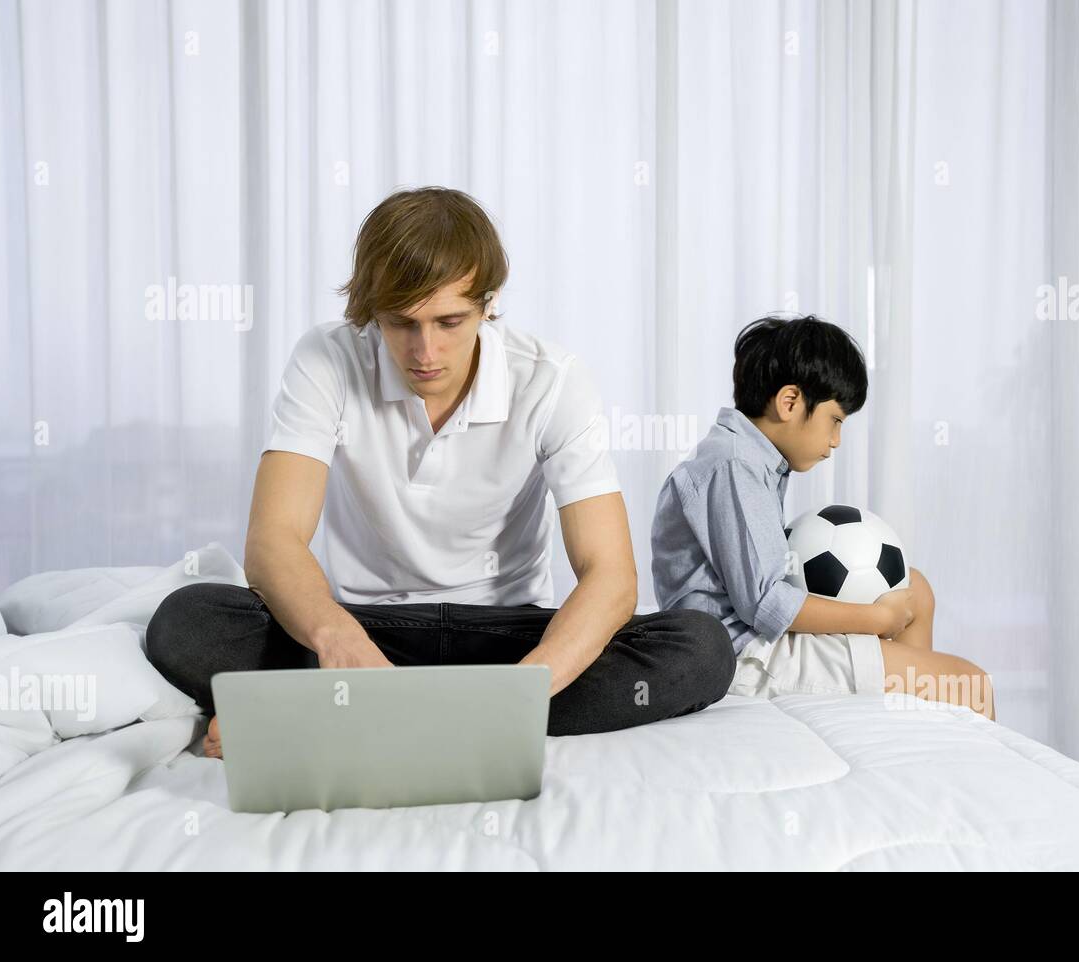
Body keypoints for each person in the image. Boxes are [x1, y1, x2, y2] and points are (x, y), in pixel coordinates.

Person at [147, 187, 733, 756]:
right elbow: (273, 540)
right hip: (368, 631)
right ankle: (434, 715)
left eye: (449, 322)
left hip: (507, 637)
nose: (425, 352)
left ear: (487, 303)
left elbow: (610, 575)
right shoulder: (325, 358)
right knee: (186, 622)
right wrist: (338, 639)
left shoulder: (552, 379)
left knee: (702, 647)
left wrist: (521, 691)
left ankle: (338, 713)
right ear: (370, 311)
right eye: (401, 322)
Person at [650, 314, 995, 719]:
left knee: (915, 589)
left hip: (758, 640)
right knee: (973, 686)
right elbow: (764, 604)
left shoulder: (749, 459)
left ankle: (905, 713)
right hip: (748, 657)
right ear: (790, 402)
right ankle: (912, 695)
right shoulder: (732, 465)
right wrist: (877, 618)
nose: (835, 441)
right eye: (835, 420)